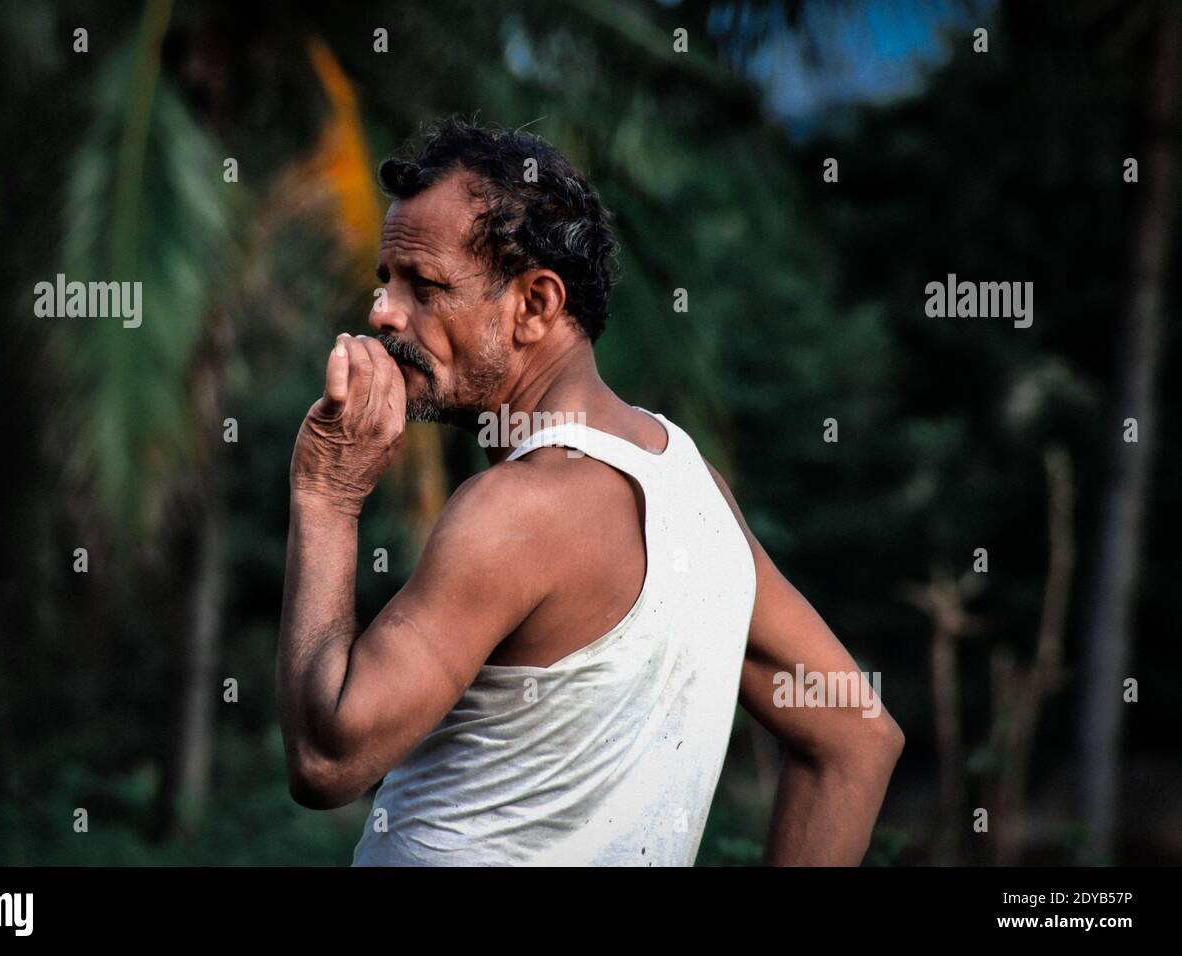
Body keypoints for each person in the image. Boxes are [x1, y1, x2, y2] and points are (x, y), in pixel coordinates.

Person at [276, 117, 904, 865]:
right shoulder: (692, 487)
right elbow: (856, 735)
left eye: (425, 285)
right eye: (386, 281)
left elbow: (326, 759)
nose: (383, 313)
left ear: (536, 305)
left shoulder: (515, 511)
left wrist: (329, 497)